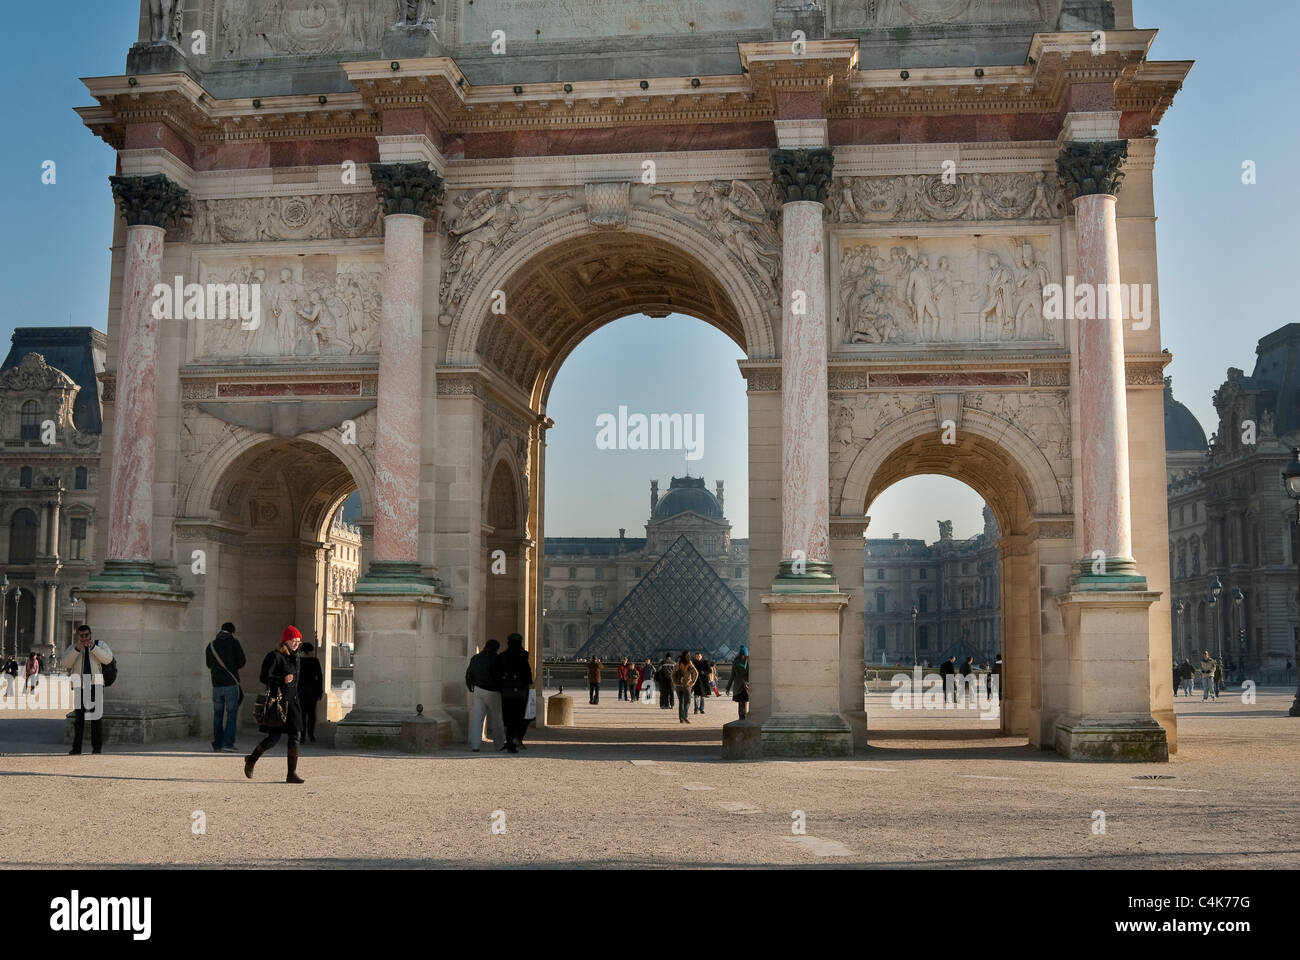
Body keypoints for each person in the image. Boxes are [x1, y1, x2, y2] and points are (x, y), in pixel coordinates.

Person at [244, 626, 306, 783]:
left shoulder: (296, 657)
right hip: (278, 703)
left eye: (298, 641)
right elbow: (264, 677)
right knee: (273, 738)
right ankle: (251, 759)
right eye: (293, 640)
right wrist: (281, 679)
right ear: (286, 640)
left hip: (293, 703)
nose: (296, 643)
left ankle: (291, 774)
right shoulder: (274, 656)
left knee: (295, 736)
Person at [60, 624, 113, 755]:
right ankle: (76, 748)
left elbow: (108, 659)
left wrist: (94, 648)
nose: (84, 638)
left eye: (86, 635)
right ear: (78, 636)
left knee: (96, 718)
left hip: (96, 684)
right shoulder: (73, 648)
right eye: (81, 636)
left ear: (90, 634)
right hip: (80, 685)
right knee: (79, 719)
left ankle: (97, 748)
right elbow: (65, 663)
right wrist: (77, 650)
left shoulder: (100, 644)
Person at [205, 621, 247, 753]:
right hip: (230, 683)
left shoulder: (211, 645)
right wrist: (232, 667)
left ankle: (217, 743)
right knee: (231, 715)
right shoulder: (234, 643)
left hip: (216, 684)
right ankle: (227, 743)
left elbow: (209, 664)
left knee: (217, 715)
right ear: (232, 631)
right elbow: (242, 661)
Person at [492, 633, 532, 753]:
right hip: (521, 691)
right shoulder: (523, 656)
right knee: (523, 717)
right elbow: (527, 675)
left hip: (506, 691)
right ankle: (517, 738)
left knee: (509, 719)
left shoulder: (502, 656)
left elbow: (496, 673)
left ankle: (510, 744)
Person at [465, 638, 506, 752]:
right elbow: (499, 676)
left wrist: (471, 687)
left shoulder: (475, 658)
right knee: (497, 719)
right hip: (493, 691)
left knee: (477, 719)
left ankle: (475, 745)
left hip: (478, 689)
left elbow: (468, 674)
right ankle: (499, 745)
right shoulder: (497, 659)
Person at [297, 642, 324, 744]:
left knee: (302, 715)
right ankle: (311, 735)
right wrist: (320, 690)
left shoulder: (298, 661)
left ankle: (302, 736)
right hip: (312, 690)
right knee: (312, 714)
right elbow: (319, 677)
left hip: (301, 690)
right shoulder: (314, 661)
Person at [671, 651, 698, 724]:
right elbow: (696, 673)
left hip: (678, 686)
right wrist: (693, 682)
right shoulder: (689, 663)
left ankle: (681, 719)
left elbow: (672, 674)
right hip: (686, 685)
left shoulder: (678, 663)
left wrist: (674, 682)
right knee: (688, 701)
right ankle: (685, 716)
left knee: (681, 702)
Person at [725, 646, 751, 720]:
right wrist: (727, 687)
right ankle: (741, 717)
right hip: (739, 686)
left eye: (744, 655)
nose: (743, 656)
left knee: (745, 702)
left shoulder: (749, 662)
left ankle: (744, 717)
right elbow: (732, 676)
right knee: (740, 703)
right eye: (742, 655)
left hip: (746, 686)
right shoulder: (736, 663)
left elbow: (752, 675)